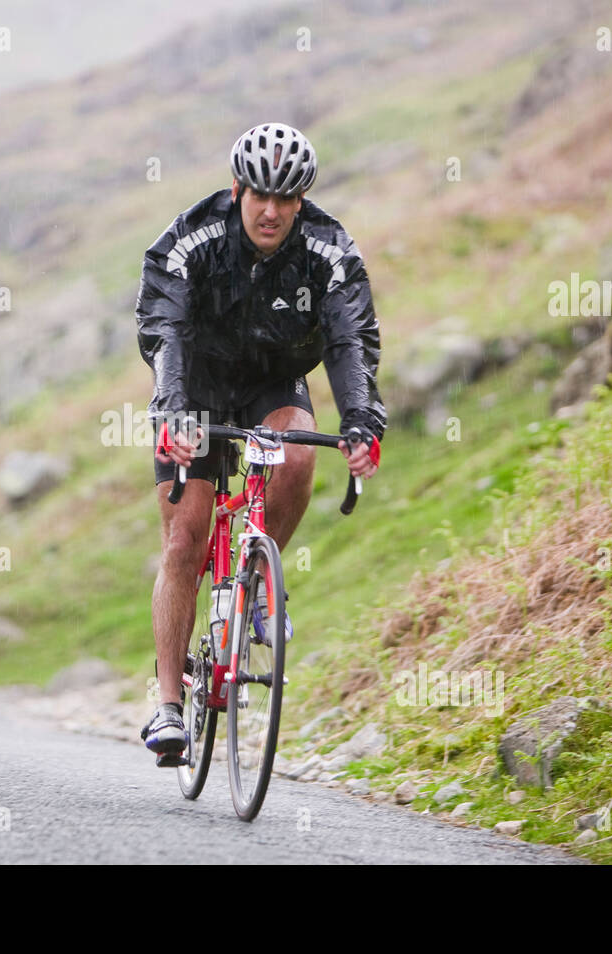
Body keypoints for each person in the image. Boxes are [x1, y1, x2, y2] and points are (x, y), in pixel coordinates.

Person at [134, 122, 386, 766]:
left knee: (299, 449)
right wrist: (171, 410)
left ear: (302, 201)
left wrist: (361, 421)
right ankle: (168, 705)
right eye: (260, 197)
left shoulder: (328, 250)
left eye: (287, 199)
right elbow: (163, 326)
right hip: (194, 382)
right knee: (185, 535)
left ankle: (257, 587)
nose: (271, 212)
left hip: (273, 379)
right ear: (238, 189)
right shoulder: (192, 240)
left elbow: (349, 338)